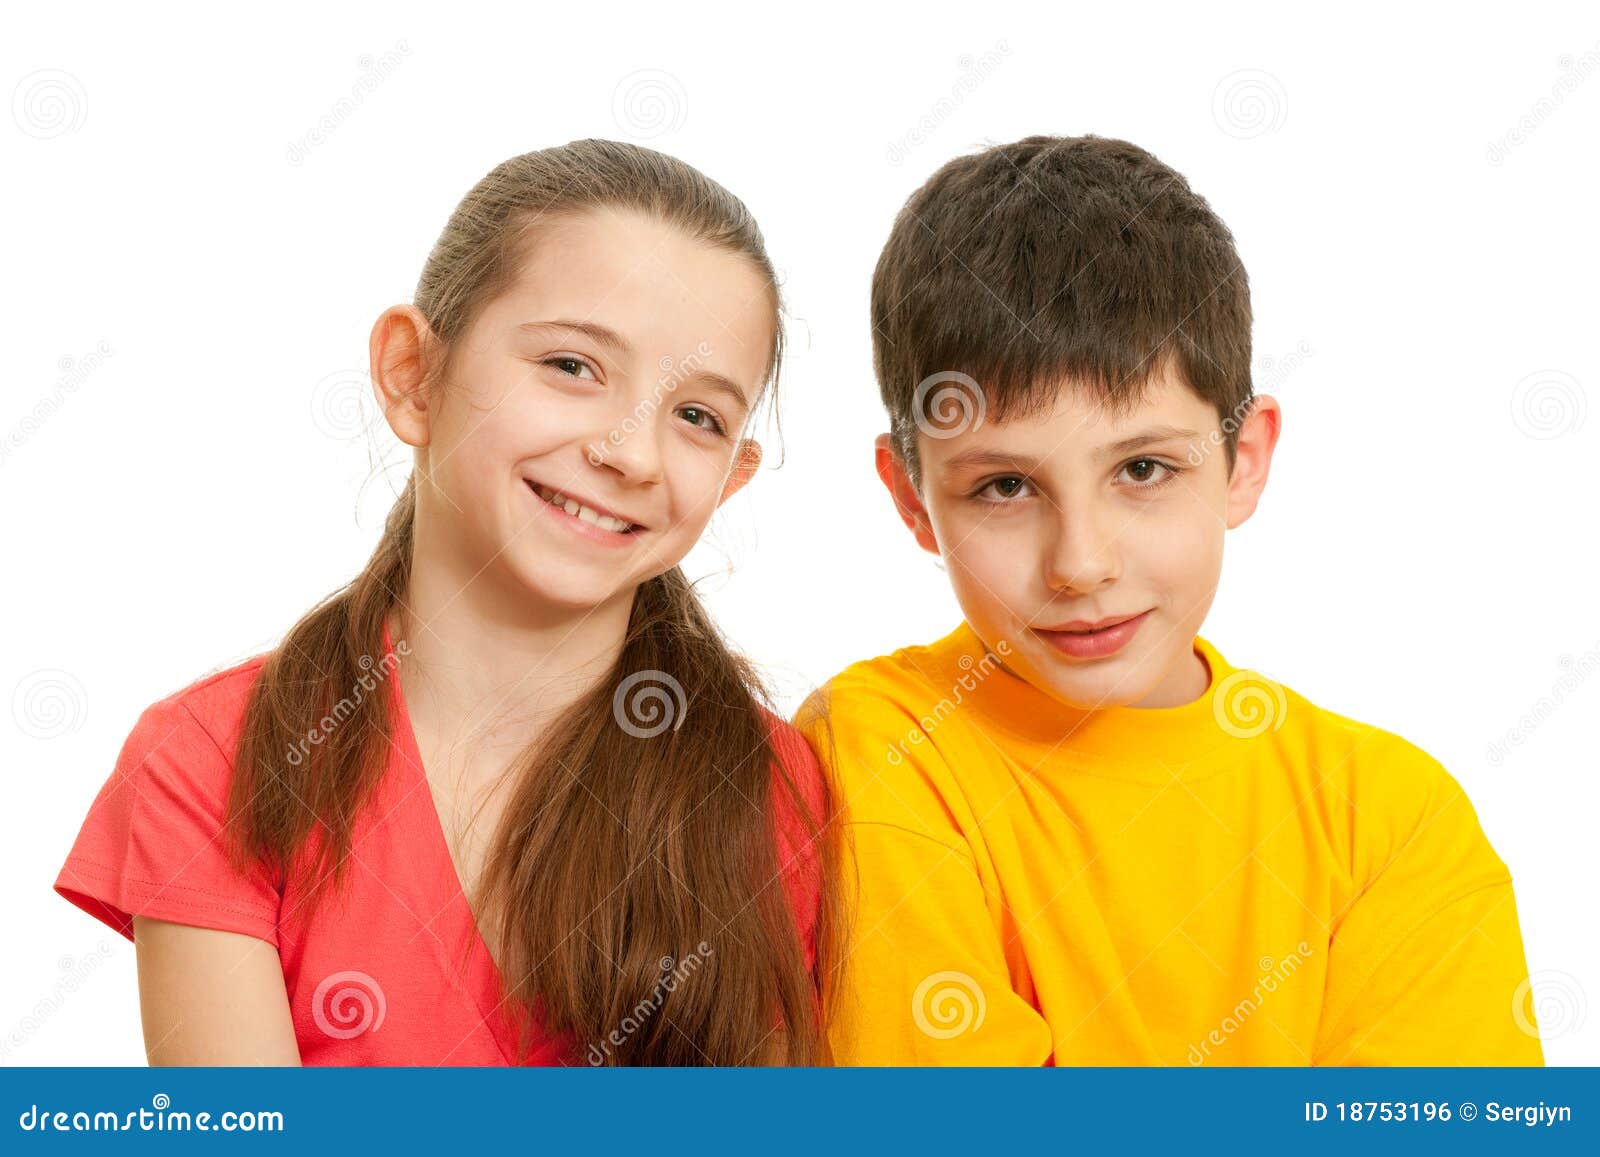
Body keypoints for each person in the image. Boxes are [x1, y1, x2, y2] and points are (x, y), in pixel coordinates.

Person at [56, 139, 836, 1067]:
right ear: (413, 374)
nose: (632, 453)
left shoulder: (767, 788)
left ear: (732, 476)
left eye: (698, 417)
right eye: (573, 366)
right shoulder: (217, 762)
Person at [796, 134, 1541, 1065]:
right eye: (1004, 487)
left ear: (1245, 458)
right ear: (912, 497)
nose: (1081, 563)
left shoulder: (1388, 820)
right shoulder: (885, 746)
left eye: (1143, 468)